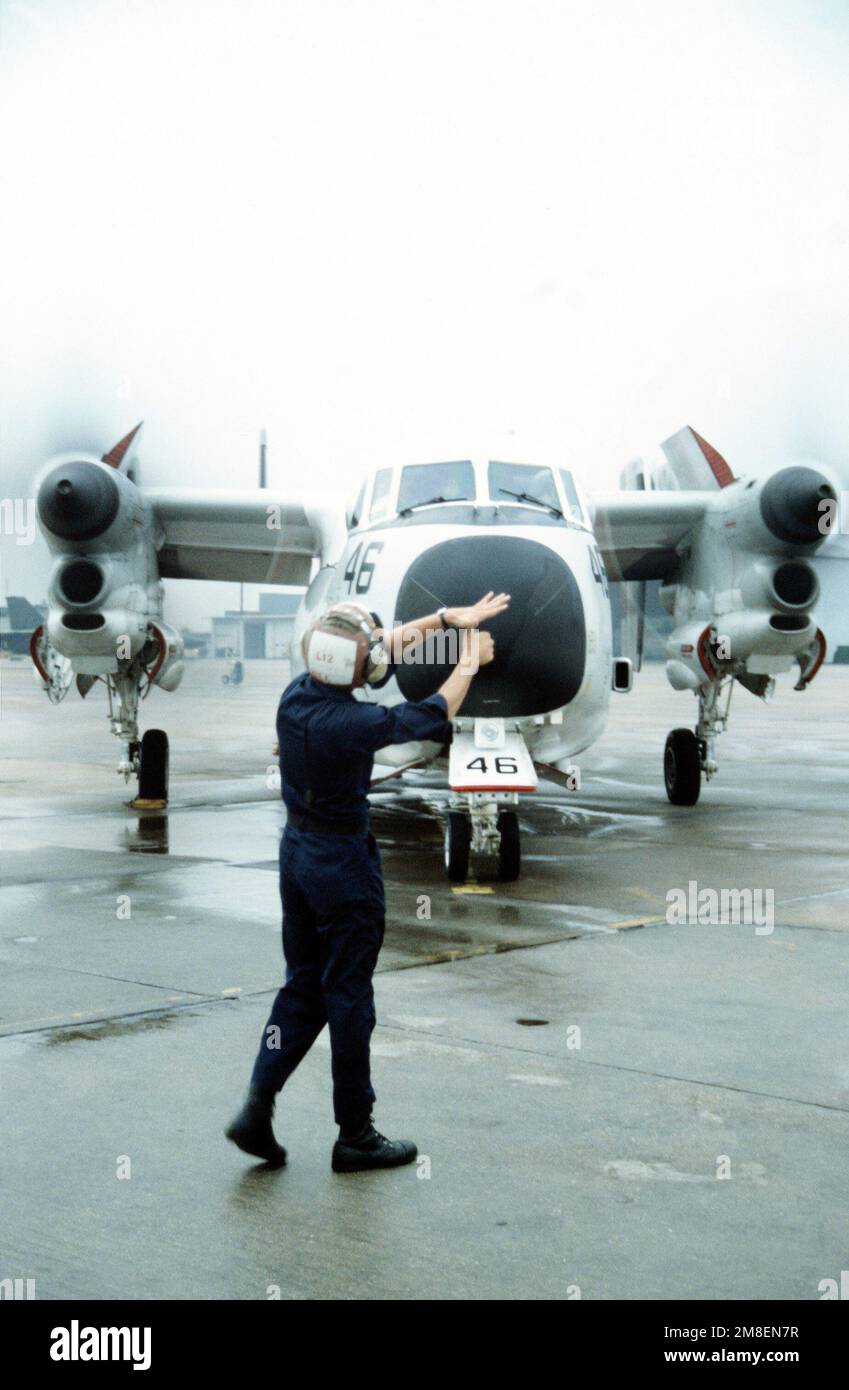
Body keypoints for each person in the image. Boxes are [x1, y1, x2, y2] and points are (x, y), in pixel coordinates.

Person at [226, 591, 509, 1172]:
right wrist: (469, 661)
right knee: (349, 998)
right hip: (343, 867)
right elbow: (432, 713)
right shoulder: (354, 722)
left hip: (297, 856)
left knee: (301, 987)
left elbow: (377, 651)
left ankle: (258, 1102)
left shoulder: (296, 697)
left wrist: (443, 622)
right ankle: (355, 1134)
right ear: (354, 667)